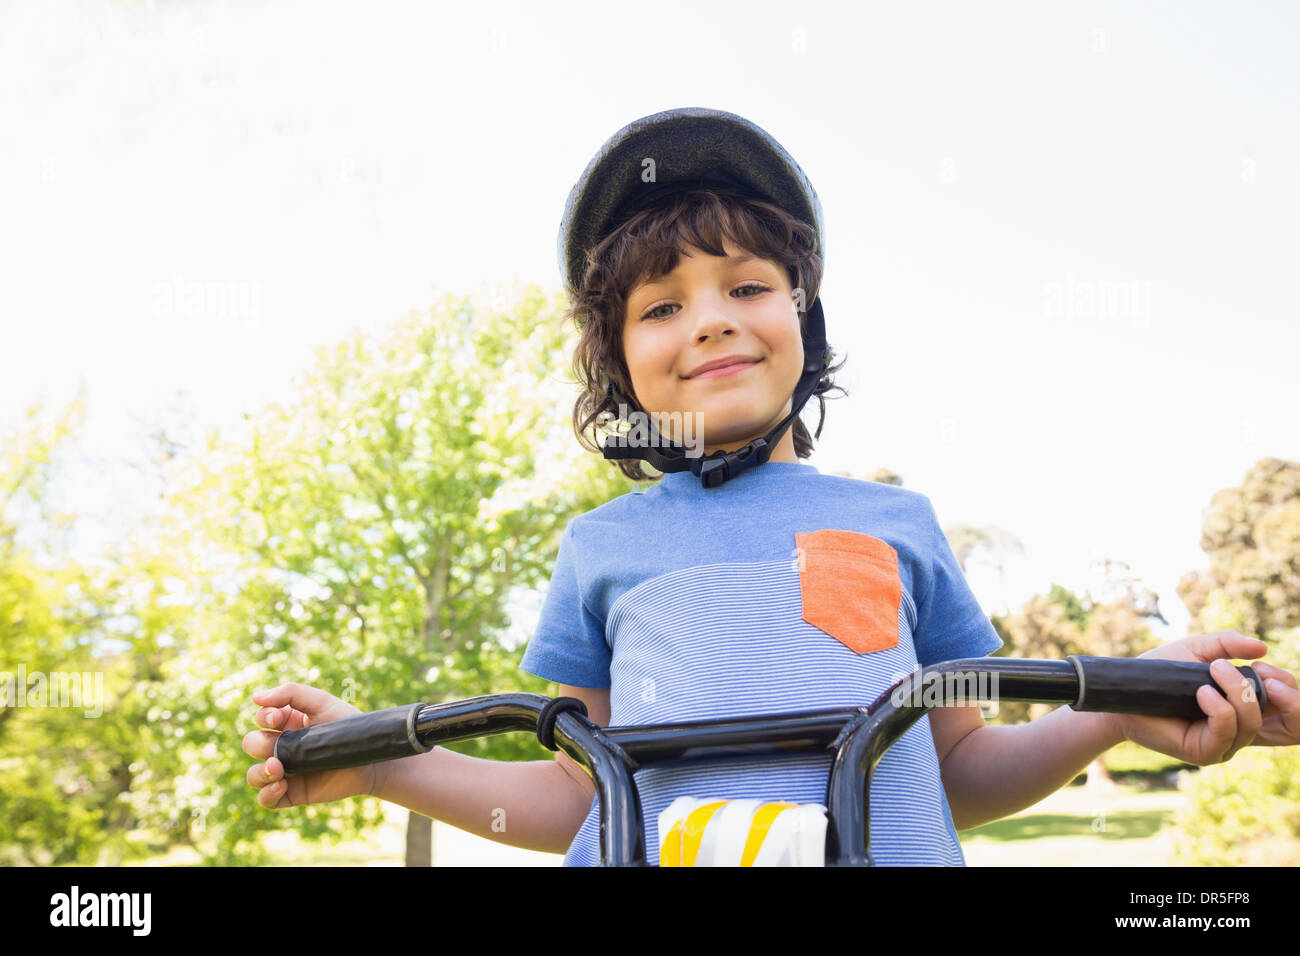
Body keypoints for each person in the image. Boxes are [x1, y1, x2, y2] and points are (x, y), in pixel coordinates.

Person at [243, 107, 1300, 865]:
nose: (708, 318)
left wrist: (1121, 706)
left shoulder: (898, 524)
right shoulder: (598, 550)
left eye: (746, 286)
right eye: (660, 306)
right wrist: (382, 763)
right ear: (618, 363)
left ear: (805, 319)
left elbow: (958, 770)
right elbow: (576, 793)